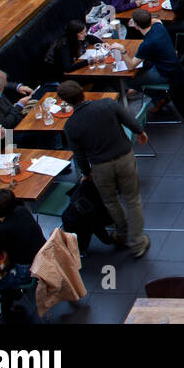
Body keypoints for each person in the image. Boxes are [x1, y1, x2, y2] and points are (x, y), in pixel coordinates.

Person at [60, 80, 150, 258]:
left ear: (66, 101)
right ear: (82, 92)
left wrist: (87, 173)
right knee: (133, 200)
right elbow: (128, 119)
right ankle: (138, 242)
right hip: (125, 158)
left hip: (100, 168)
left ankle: (122, 235)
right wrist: (140, 132)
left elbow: (79, 156)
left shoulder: (70, 126)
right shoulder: (107, 104)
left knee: (111, 202)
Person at [125, 8, 181, 106]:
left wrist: (122, 50)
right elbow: (157, 20)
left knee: (129, 80)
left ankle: (159, 98)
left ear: (136, 26)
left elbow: (131, 66)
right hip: (173, 66)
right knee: (144, 66)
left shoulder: (147, 44)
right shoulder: (158, 26)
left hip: (165, 74)